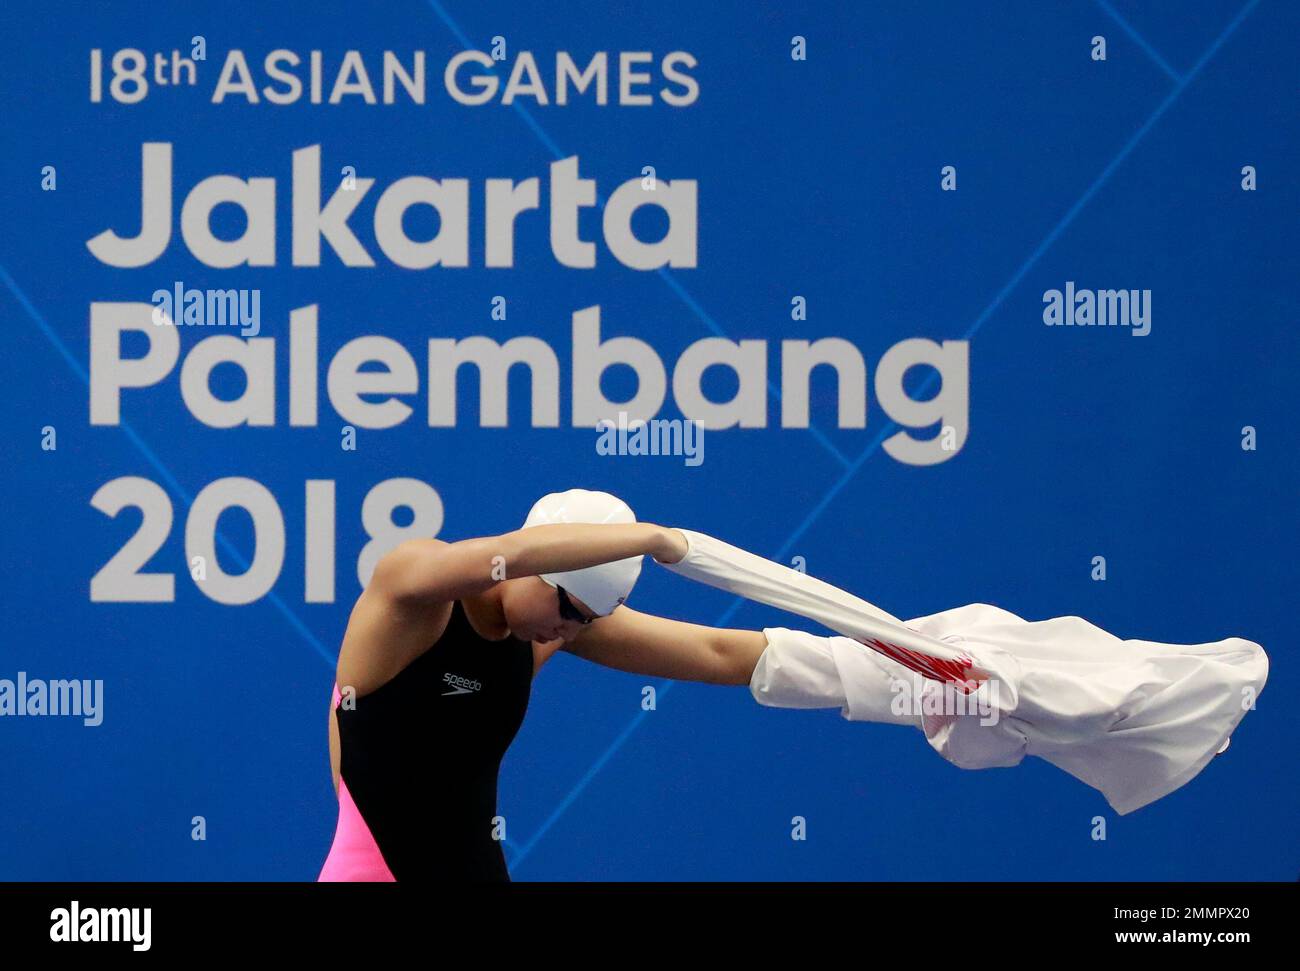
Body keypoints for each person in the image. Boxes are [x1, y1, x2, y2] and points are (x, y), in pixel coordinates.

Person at [317, 489, 767, 882]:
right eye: (571, 612)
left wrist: (833, 665)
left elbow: (716, 654)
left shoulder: (536, 634)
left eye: (588, 621)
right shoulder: (415, 591)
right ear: (538, 570)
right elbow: (511, 554)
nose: (570, 632)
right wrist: (655, 538)